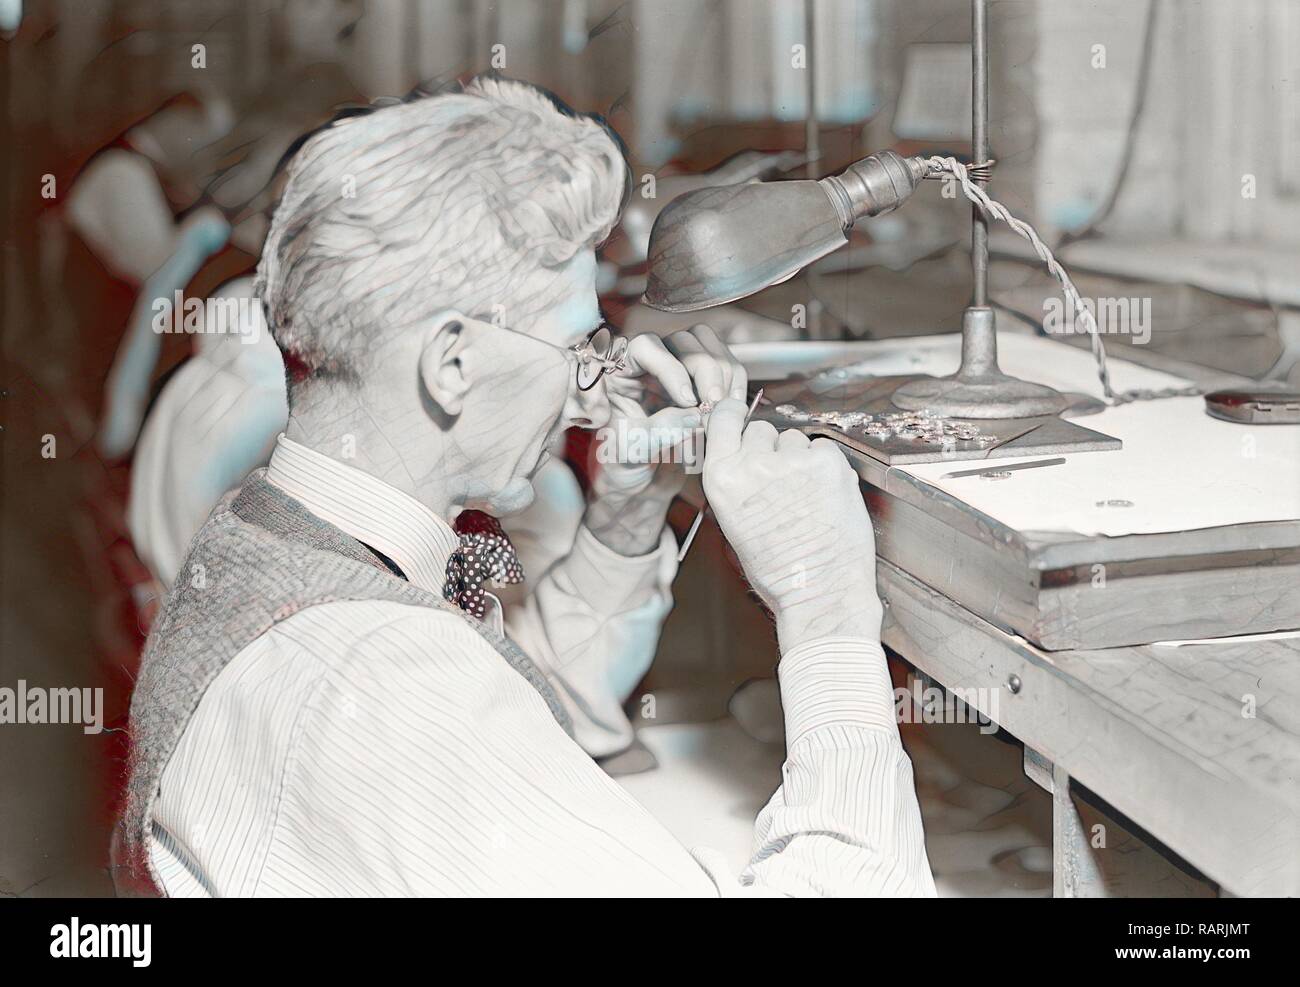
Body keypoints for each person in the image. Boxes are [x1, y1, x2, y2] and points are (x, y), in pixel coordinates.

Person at [123, 77, 934, 896]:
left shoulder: (272, 534)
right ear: (453, 363)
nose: (591, 391)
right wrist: (827, 608)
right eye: (578, 344)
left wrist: (625, 519)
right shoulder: (387, 691)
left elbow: (516, 706)